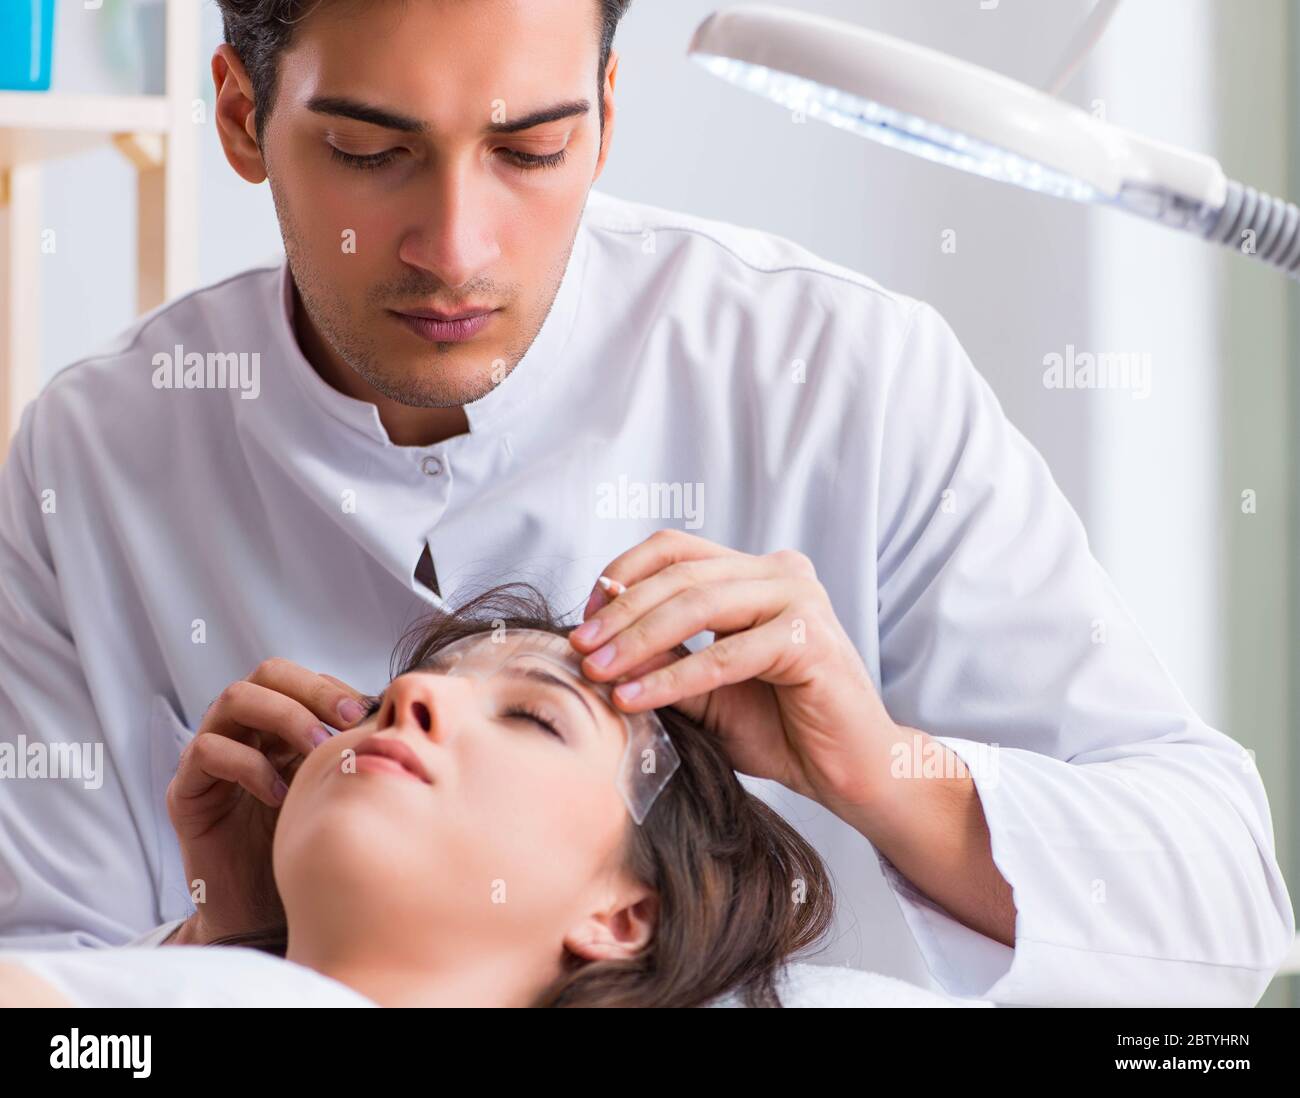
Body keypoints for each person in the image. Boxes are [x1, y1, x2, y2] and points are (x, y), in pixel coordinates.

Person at [0, 0, 1290, 1006]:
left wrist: (883, 767)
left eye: (533, 149)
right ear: (237, 116)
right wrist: (221, 948)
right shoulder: (99, 459)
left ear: (608, 115)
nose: (457, 247)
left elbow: (1224, 917)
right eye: (368, 151)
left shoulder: (837, 377)